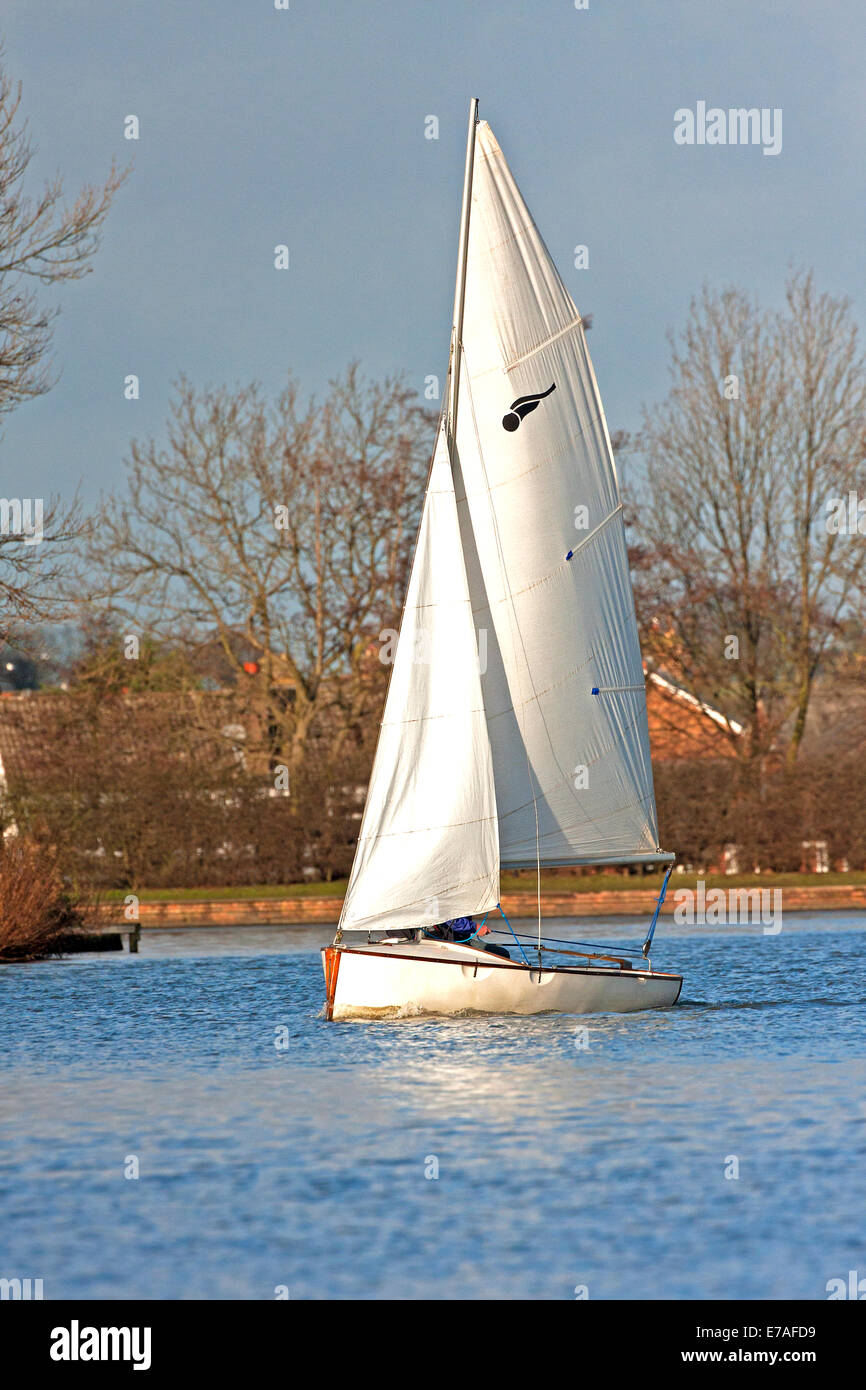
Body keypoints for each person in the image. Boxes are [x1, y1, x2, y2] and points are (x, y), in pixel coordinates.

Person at [425, 916, 510, 959]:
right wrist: (475, 928)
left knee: (502, 952)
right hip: (444, 942)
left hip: (458, 941)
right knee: (502, 954)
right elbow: (448, 918)